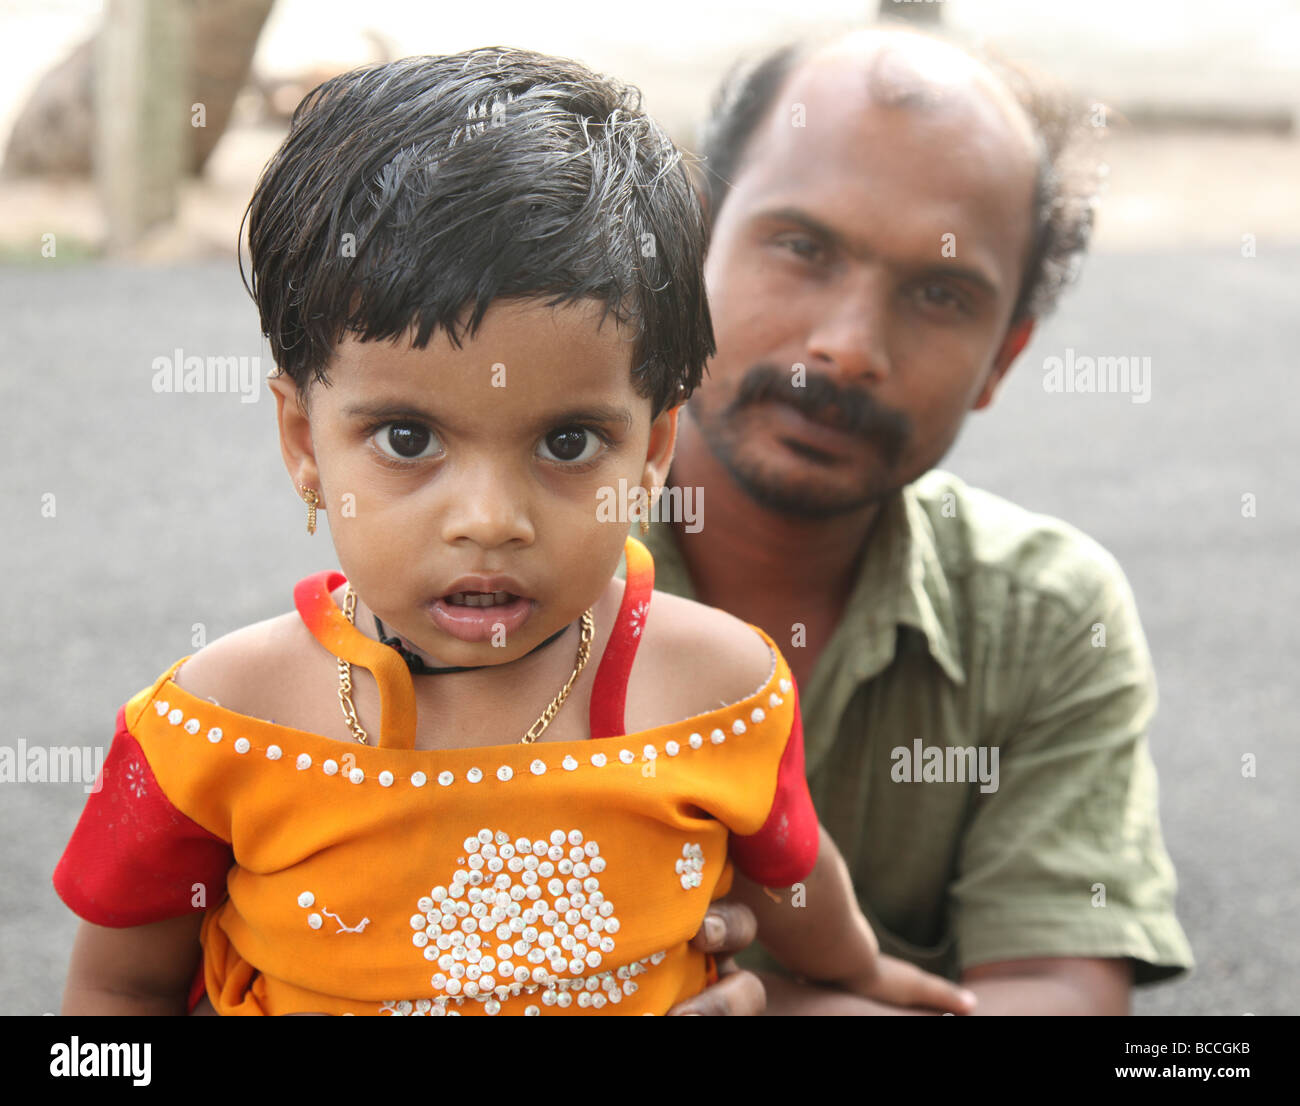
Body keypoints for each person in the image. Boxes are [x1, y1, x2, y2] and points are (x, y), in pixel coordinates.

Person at [51, 48, 975, 1017]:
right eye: (408, 437)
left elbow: (797, 875)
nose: (490, 519)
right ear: (304, 440)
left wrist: (858, 977)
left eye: (568, 441)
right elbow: (113, 995)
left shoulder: (720, 691)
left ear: (653, 446)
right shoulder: (217, 724)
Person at [627, 26, 1196, 1014]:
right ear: (693, 244)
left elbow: (1054, 989)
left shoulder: (1045, 616)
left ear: (1005, 358)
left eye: (938, 292)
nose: (849, 348)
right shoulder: (502, 569)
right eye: (802, 247)